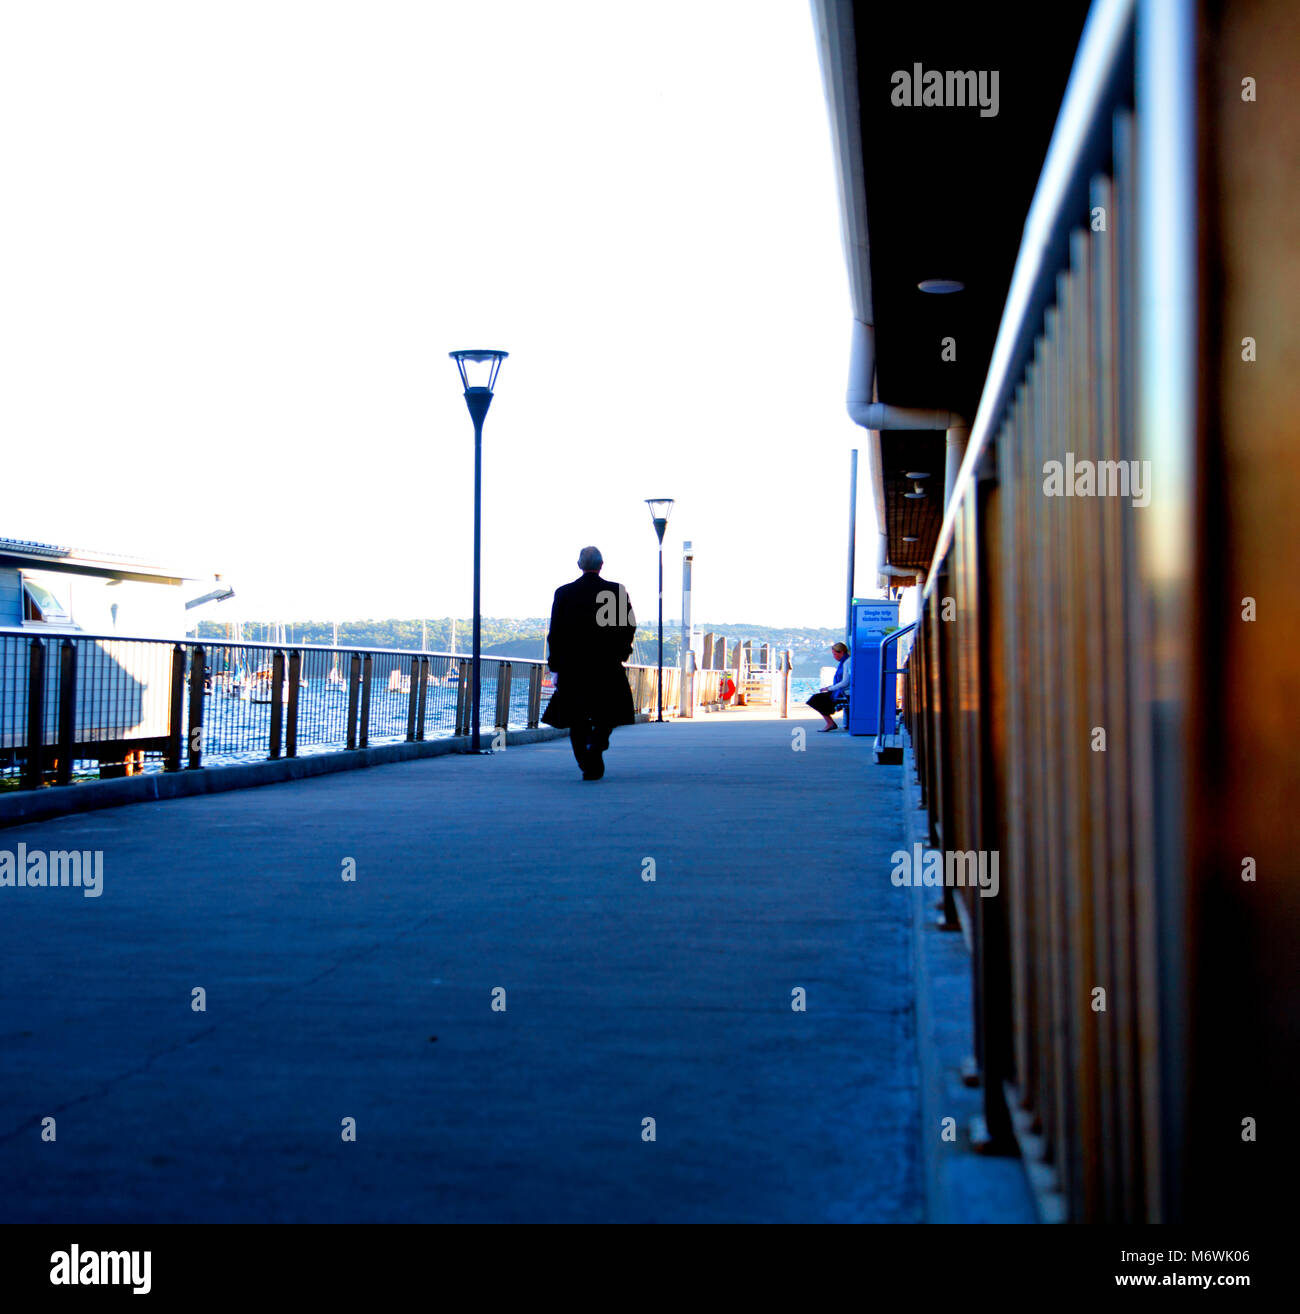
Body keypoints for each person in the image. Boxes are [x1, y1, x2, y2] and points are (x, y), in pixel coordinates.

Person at [541, 546, 637, 779]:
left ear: (579, 565)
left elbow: (556, 633)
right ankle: (597, 744)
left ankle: (586, 761)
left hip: (574, 667)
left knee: (577, 718)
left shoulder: (564, 593)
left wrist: (555, 665)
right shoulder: (615, 592)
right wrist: (622, 653)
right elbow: (627, 627)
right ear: (601, 565)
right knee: (608, 713)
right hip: (606, 665)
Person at [807, 641, 851, 731]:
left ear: (841, 652)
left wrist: (829, 688)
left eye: (834, 654)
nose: (834, 657)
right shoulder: (845, 662)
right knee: (817, 697)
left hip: (845, 692)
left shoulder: (847, 663)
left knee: (815, 699)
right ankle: (830, 723)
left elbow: (845, 682)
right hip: (841, 691)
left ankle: (830, 723)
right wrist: (829, 688)